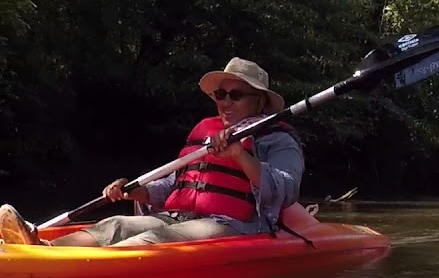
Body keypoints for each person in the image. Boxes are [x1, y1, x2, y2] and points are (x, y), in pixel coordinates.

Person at [0, 58, 304, 247]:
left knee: (155, 240)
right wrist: (136, 191)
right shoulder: (206, 131)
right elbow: (172, 187)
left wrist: (239, 155)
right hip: (179, 217)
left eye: (235, 95)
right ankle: (44, 251)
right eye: (220, 94)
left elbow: (286, 190)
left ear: (259, 102)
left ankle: (79, 270)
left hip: (234, 225)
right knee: (116, 224)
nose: (225, 102)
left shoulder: (276, 139)